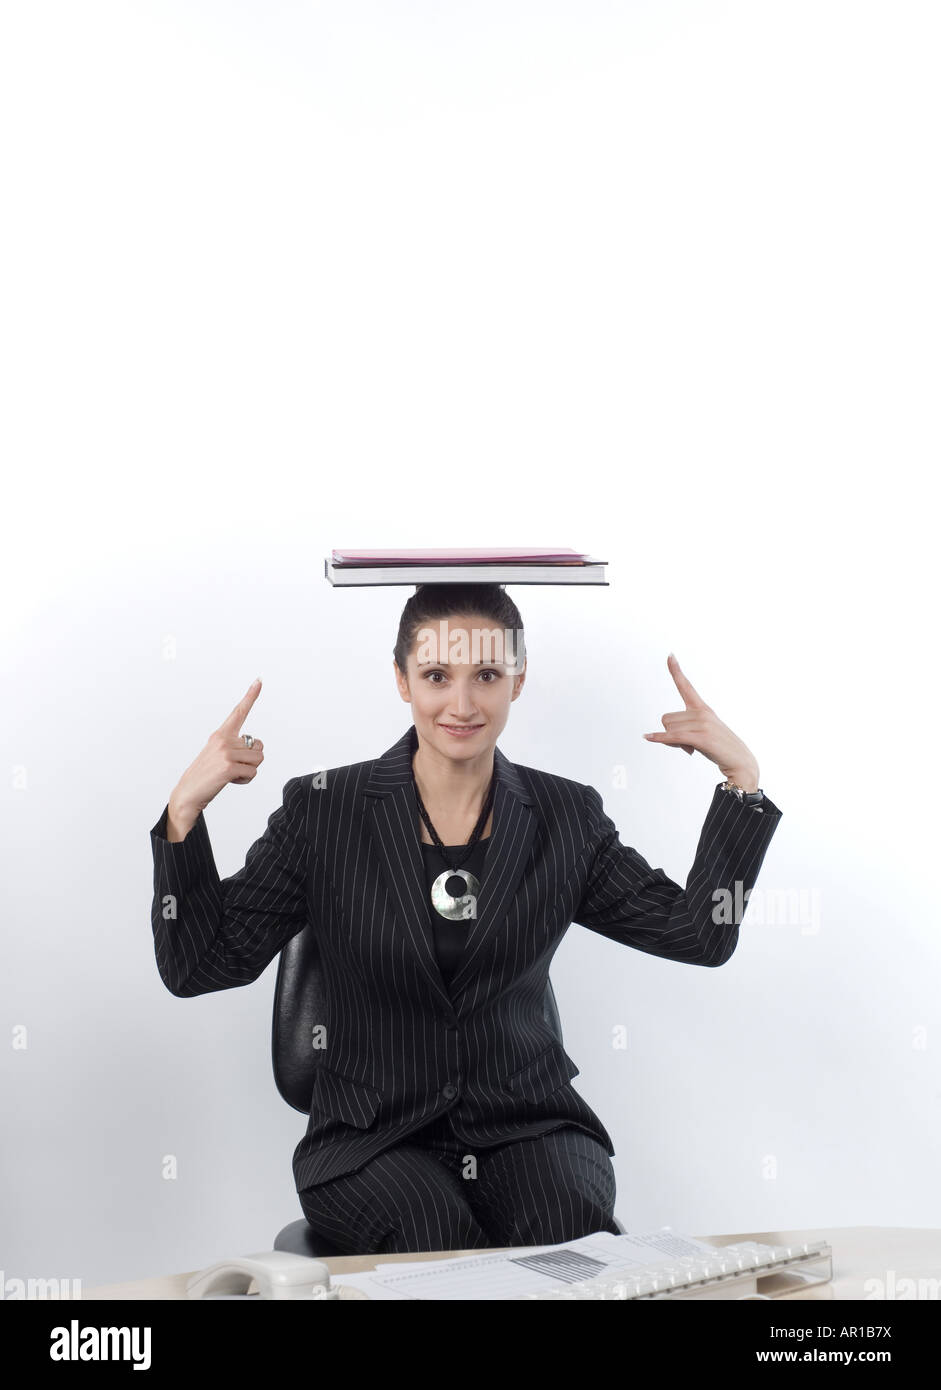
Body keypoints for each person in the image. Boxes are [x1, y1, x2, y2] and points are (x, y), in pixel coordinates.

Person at [150, 583, 781, 1254]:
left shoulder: (565, 816)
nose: (461, 703)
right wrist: (184, 812)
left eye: (485, 675)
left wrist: (741, 783)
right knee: (433, 1236)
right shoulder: (323, 811)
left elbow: (698, 932)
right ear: (401, 680)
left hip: (527, 1126)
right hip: (372, 1137)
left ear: (517, 679)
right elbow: (200, 965)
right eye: (435, 676)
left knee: (567, 1233)